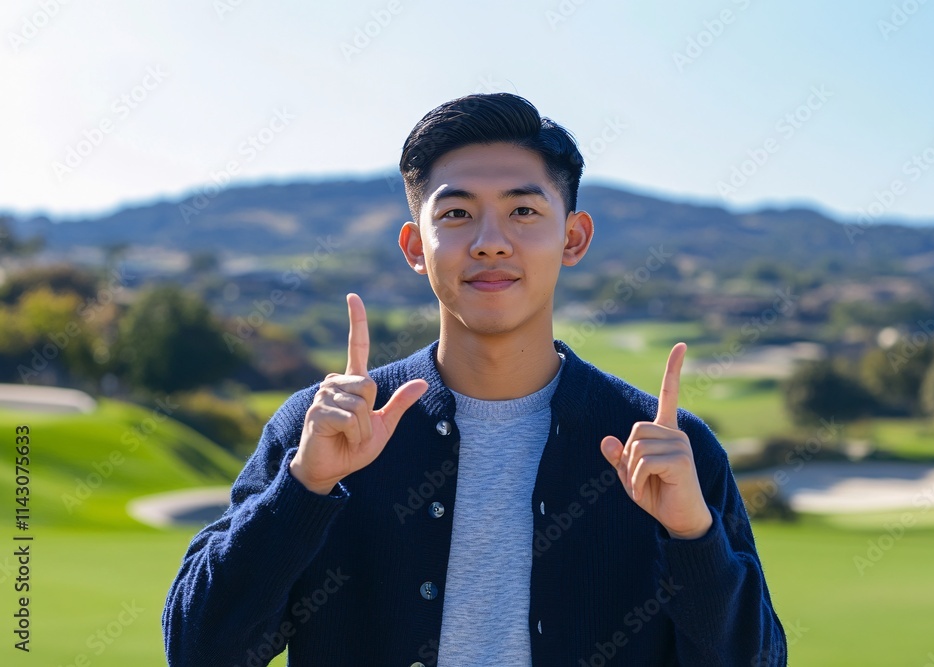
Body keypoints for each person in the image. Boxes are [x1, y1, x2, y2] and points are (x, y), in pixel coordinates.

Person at [162, 92, 787, 666]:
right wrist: (305, 487)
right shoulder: (319, 431)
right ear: (416, 246)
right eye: (457, 213)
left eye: (523, 211)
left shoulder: (671, 450)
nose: (491, 242)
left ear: (573, 238)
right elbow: (200, 650)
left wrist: (693, 536)